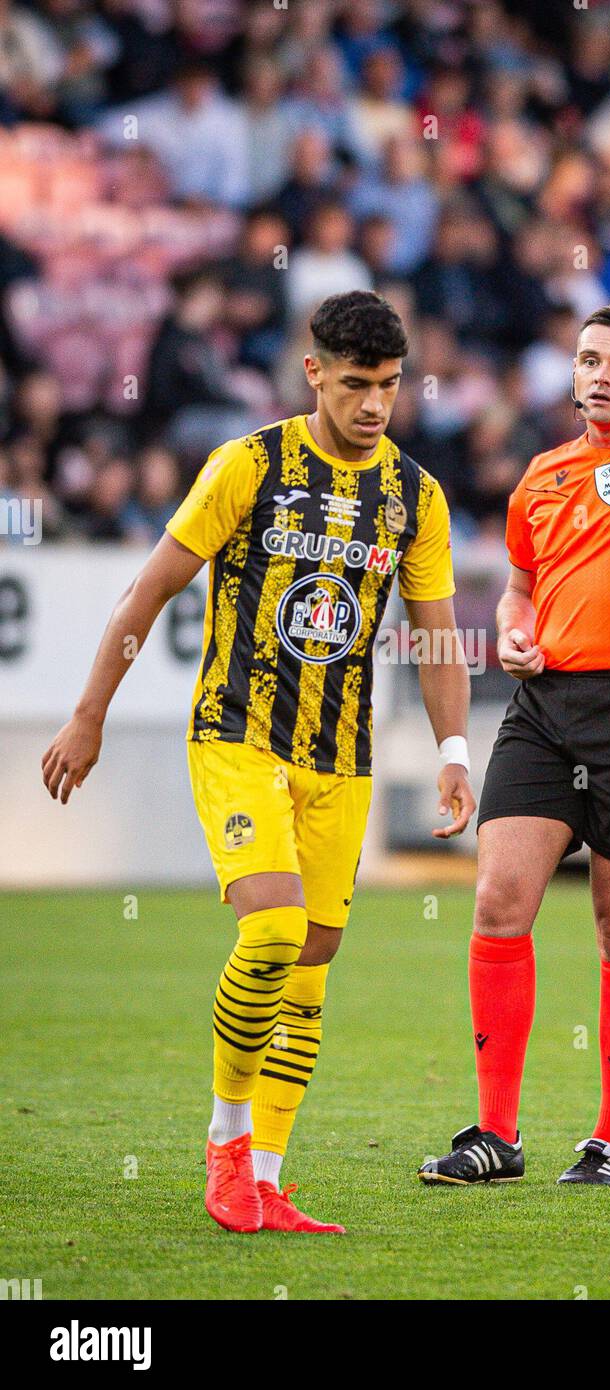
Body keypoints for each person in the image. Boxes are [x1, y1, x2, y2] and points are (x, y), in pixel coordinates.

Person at [42, 290, 475, 1233]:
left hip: (343, 757)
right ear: (312, 370)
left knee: (312, 967)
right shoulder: (248, 466)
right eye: (355, 384)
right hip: (238, 736)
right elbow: (146, 592)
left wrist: (451, 751)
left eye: (389, 387)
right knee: (275, 930)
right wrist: (88, 717)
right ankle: (225, 1144)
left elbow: (437, 637)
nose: (373, 405)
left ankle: (268, 1179)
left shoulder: (414, 494)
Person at [419, 152, 610, 1187]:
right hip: (543, 706)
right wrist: (510, 625)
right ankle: (494, 1134)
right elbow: (516, 586)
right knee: (500, 897)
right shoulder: (540, 477)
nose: (598, 373)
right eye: (586, 359)